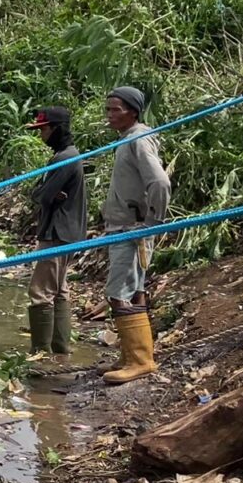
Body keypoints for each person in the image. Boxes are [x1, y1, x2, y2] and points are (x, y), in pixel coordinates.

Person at [100, 86, 170, 385]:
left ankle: (140, 361)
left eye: (115, 109)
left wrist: (154, 221)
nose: (109, 116)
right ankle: (133, 356)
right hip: (124, 228)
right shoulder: (128, 140)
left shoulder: (139, 140)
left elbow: (160, 182)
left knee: (119, 293)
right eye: (108, 109)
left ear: (133, 111)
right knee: (135, 289)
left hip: (132, 230)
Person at [23, 106, 87, 355]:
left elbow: (42, 195)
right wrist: (45, 193)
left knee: (40, 292)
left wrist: (42, 192)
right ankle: (61, 349)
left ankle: (40, 353)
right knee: (59, 291)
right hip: (70, 232)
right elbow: (46, 193)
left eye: (44, 130)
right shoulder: (69, 155)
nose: (41, 135)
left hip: (56, 232)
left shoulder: (63, 159)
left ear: (55, 129)